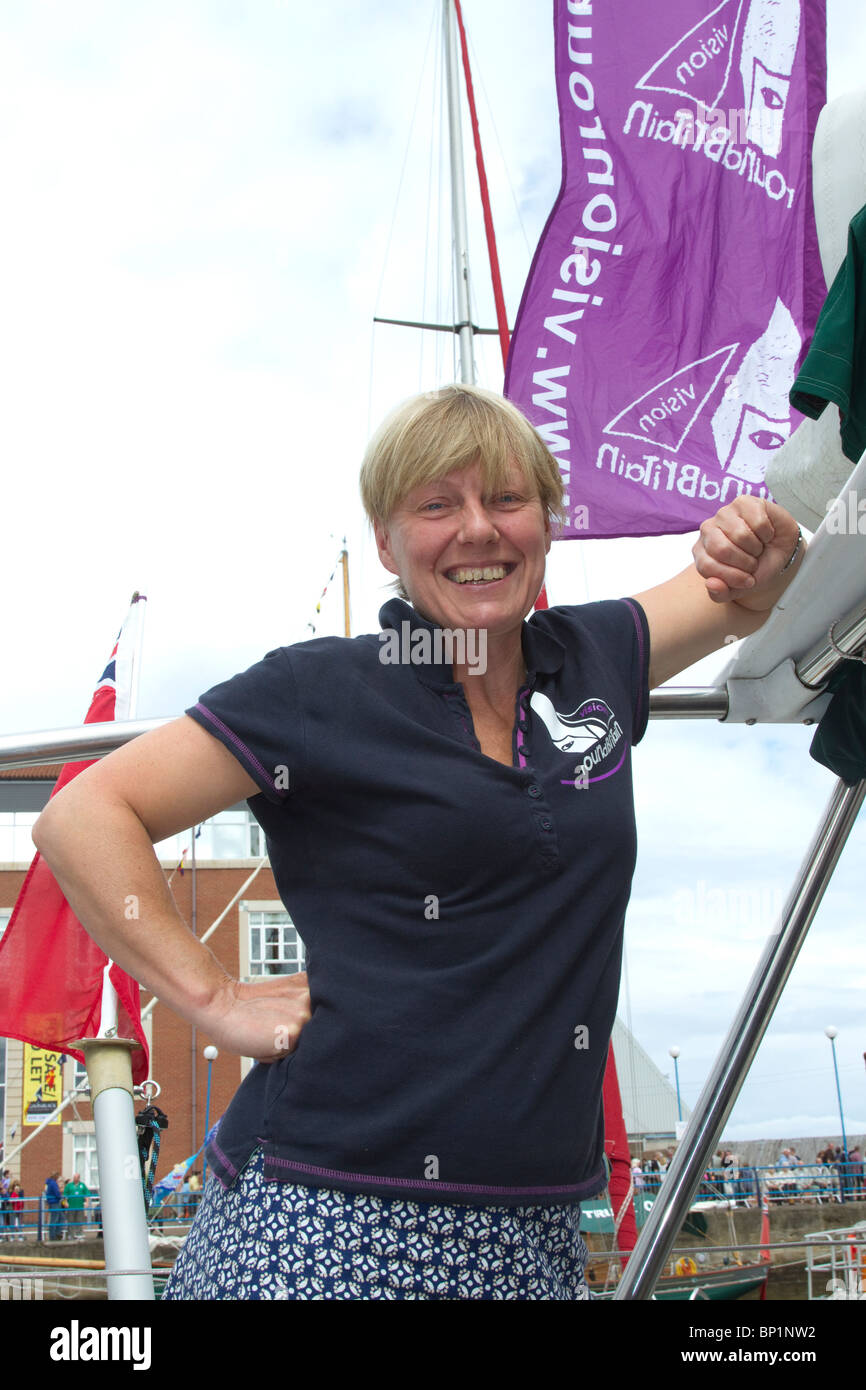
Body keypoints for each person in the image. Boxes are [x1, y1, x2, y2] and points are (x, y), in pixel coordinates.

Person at [32, 384, 806, 1301]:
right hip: (323, 1213)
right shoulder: (321, 691)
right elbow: (84, 815)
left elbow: (750, 591)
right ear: (386, 542)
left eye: (507, 499)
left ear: (547, 523)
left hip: (536, 1225)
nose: (478, 529)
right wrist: (215, 996)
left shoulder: (596, 654)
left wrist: (767, 538)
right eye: (437, 505)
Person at [63, 1174, 92, 1239]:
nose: (75, 1179)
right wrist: (65, 1203)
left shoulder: (82, 1185)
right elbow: (64, 1195)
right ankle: (70, 1235)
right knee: (70, 1220)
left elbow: (86, 1194)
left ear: (79, 1178)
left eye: (76, 1178)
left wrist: (87, 1202)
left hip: (80, 1206)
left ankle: (79, 1234)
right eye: (74, 1177)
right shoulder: (69, 1185)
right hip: (71, 1207)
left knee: (79, 1220)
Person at [44, 1172, 63, 1241]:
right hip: (55, 1202)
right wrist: (60, 1196)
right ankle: (53, 1235)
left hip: (52, 1202)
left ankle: (57, 1233)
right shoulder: (53, 1183)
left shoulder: (49, 1183)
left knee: (60, 1217)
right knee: (54, 1219)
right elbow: (57, 1193)